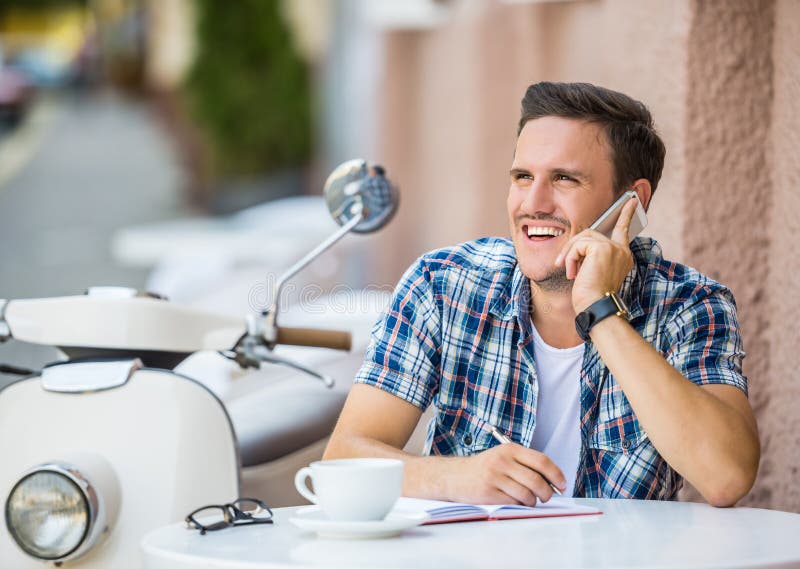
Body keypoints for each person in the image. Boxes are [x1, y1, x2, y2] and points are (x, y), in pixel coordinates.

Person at [324, 82, 759, 507]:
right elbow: (344, 460)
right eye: (523, 177)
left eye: (564, 179)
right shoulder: (441, 285)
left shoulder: (690, 305)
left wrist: (601, 312)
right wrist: (458, 476)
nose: (533, 203)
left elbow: (727, 478)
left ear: (631, 202)